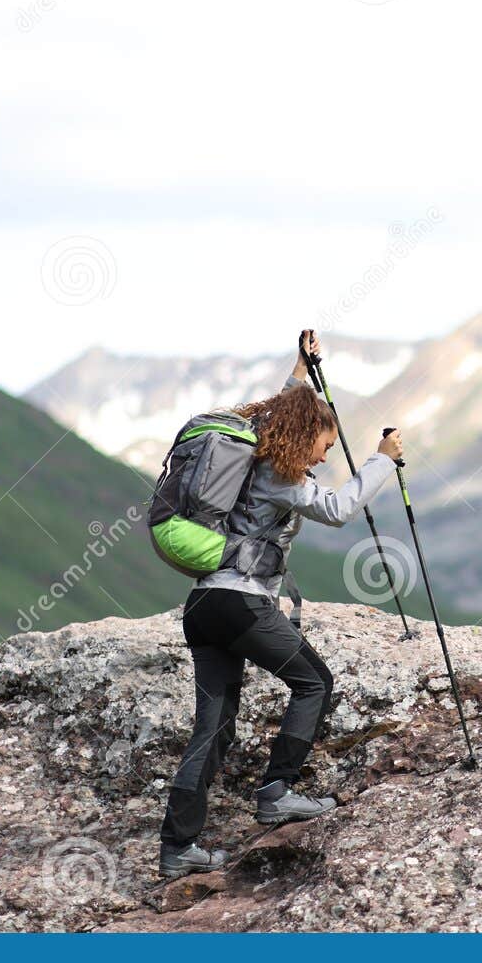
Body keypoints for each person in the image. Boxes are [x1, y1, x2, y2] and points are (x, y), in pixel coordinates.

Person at [157, 329, 404, 878]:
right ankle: (277, 792)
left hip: (203, 605)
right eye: (325, 444)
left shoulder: (250, 461)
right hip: (243, 603)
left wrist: (299, 370)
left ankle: (179, 850)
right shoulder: (280, 476)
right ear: (305, 435)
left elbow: (279, 416)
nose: (324, 454)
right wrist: (382, 461)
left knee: (214, 728)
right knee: (314, 681)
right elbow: (339, 508)